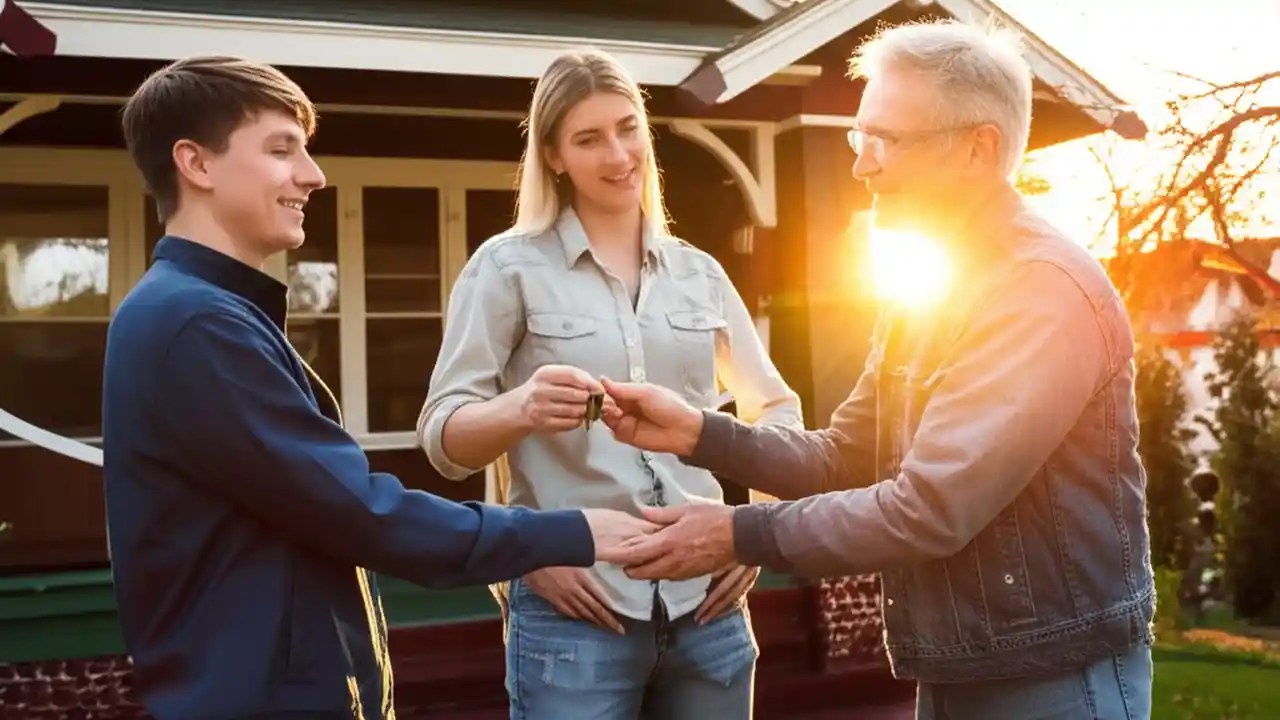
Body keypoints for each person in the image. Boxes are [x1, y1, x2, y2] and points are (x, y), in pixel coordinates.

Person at [599, 20, 1155, 720]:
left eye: (885, 140)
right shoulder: (931, 286)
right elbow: (849, 458)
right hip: (965, 668)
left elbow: (930, 509)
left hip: (1052, 679)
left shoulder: (1039, 292)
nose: (862, 165)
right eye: (857, 138)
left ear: (979, 149)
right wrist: (701, 435)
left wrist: (738, 534)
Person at [102, 55, 655, 720]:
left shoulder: (208, 314)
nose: (313, 175)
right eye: (282, 150)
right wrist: (572, 532)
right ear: (196, 164)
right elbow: (359, 512)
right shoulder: (195, 324)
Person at [417, 47, 803, 720]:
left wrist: (756, 527)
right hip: (575, 615)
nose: (619, 153)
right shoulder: (506, 269)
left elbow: (775, 406)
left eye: (628, 128)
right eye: (589, 139)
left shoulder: (700, 274)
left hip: (708, 612)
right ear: (555, 156)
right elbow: (445, 438)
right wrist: (523, 411)